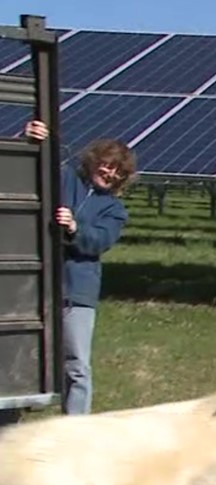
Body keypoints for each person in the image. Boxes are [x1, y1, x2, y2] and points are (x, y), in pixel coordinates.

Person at [23, 120, 136, 415]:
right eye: (107, 165)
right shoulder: (64, 179)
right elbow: (33, 169)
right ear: (94, 161)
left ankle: (75, 426)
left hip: (76, 292)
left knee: (76, 364)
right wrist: (32, 140)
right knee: (21, 356)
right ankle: (9, 418)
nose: (110, 174)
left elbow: (100, 241)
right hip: (34, 285)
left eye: (118, 172)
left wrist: (74, 228)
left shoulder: (114, 210)